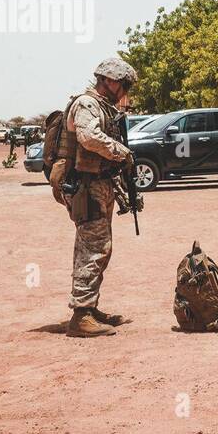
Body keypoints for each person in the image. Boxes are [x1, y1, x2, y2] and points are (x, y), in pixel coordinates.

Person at [64, 57, 138, 338]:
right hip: (86, 186)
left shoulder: (104, 107)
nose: (125, 90)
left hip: (99, 184)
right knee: (93, 248)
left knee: (99, 247)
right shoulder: (87, 104)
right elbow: (89, 137)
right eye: (124, 84)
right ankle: (80, 315)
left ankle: (89, 308)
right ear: (108, 80)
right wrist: (121, 151)